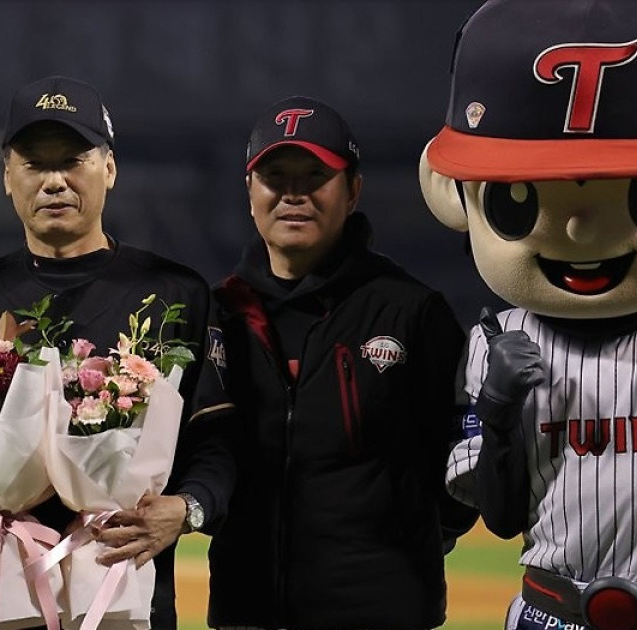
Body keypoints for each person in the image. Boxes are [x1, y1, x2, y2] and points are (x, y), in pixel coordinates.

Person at [0, 75, 236, 630]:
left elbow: (217, 438)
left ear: (110, 168)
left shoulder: (175, 294)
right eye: (34, 164)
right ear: (7, 176)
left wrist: (188, 509)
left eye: (73, 160)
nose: (54, 181)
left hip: (120, 588)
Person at [421, 1, 637, 627]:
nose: (580, 229)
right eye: (516, 200)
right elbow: (500, 521)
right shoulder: (495, 342)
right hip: (549, 612)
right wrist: (497, 417)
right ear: (453, 194)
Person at [208, 96, 478, 629]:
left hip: (379, 607)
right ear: (249, 191)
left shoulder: (410, 311)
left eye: (315, 175)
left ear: (353, 190)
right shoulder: (219, 313)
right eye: (274, 175)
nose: (293, 193)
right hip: (248, 607)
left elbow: (460, 462)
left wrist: (403, 544)